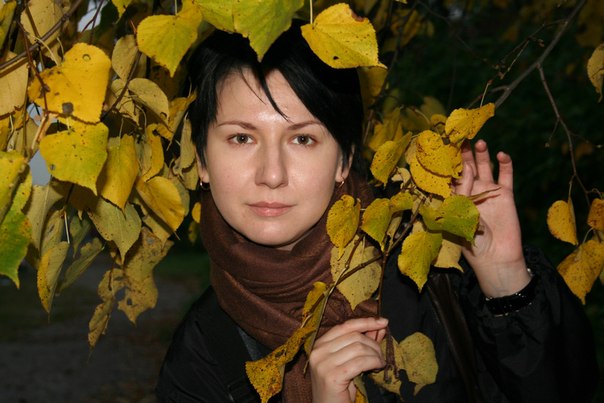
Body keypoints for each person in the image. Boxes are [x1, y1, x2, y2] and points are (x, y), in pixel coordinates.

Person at [155, 22, 598, 403]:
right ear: (203, 160)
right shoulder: (201, 358)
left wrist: (505, 281)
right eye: (241, 138)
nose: (272, 174)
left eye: (303, 139)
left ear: (344, 160)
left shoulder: (433, 269)